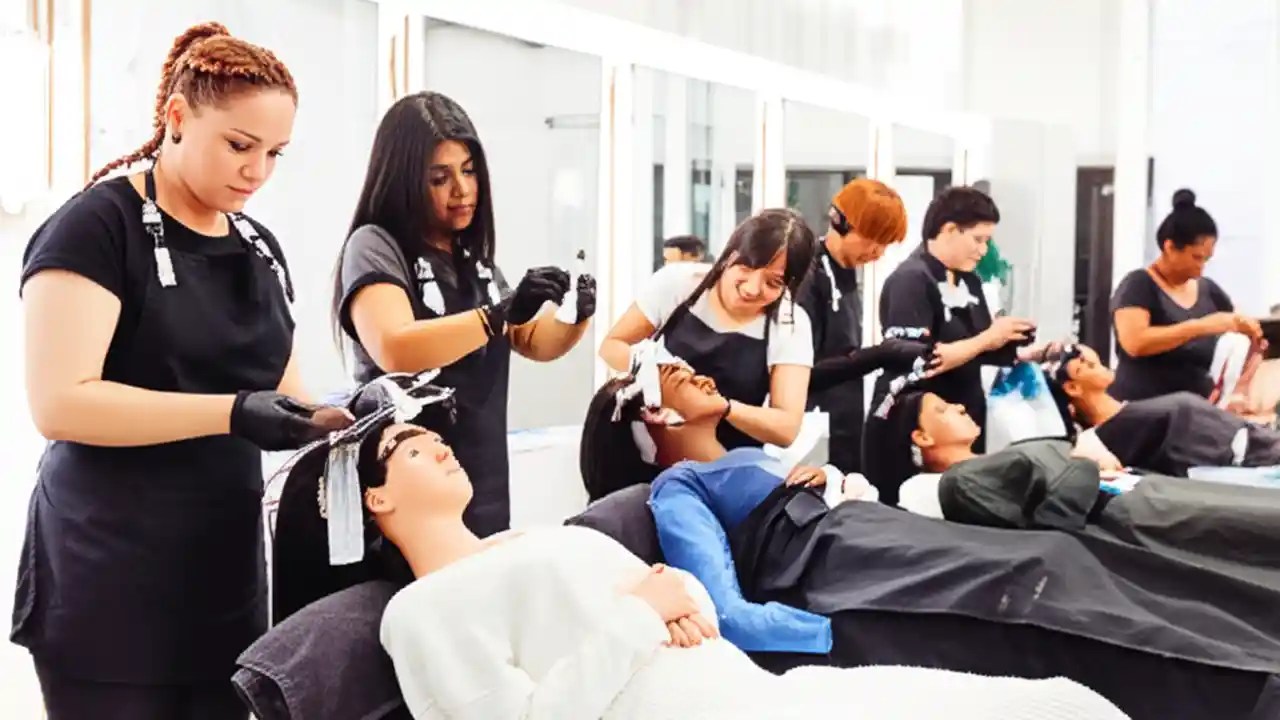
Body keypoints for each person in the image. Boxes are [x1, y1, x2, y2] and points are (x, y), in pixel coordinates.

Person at [14, 22, 352, 719]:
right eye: (239, 145)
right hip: (107, 578)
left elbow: (284, 392)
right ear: (176, 116)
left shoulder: (259, 247)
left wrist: (355, 418)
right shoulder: (96, 229)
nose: (256, 171)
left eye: (274, 153)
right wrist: (229, 412)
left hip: (222, 579)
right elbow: (61, 402)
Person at [348, 417, 1125, 719]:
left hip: (753, 690)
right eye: (409, 447)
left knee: (1065, 706)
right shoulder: (422, 611)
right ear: (373, 496)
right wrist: (640, 613)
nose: (439, 441)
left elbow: (687, 597)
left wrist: (674, 594)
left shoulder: (534, 538)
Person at [332, 91, 595, 537]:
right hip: (408, 493)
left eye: (469, 171)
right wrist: (496, 316)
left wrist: (573, 314)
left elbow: (534, 340)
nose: (463, 190)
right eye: (440, 178)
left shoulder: (472, 259)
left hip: (482, 482)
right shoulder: (376, 246)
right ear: (403, 180)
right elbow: (396, 346)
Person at [599, 209, 817, 455]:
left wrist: (720, 408)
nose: (752, 288)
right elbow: (612, 346)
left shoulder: (791, 323)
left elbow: (786, 429)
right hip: (646, 450)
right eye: (746, 267)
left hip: (725, 467)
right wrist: (665, 380)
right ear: (729, 255)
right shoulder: (678, 283)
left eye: (773, 282)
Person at [870, 186, 1041, 484]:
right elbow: (923, 360)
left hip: (962, 428)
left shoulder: (968, 281)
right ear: (949, 230)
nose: (984, 250)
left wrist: (1020, 348)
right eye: (978, 239)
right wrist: (989, 337)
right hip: (922, 436)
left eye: (987, 241)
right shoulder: (910, 281)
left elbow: (975, 346)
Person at [796, 178, 923, 473]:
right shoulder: (808, 276)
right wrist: (878, 355)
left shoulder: (848, 274)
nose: (878, 253)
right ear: (839, 222)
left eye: (885, 244)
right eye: (872, 240)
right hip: (810, 433)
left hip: (845, 424)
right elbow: (803, 372)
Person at [1110, 189, 1262, 401]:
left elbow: (1236, 323)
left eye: (1206, 260)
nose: (1200, 268)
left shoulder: (1209, 290)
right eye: (1196, 258)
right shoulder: (1139, 284)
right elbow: (1135, 342)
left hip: (1199, 410)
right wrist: (1201, 326)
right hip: (1143, 408)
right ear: (1170, 247)